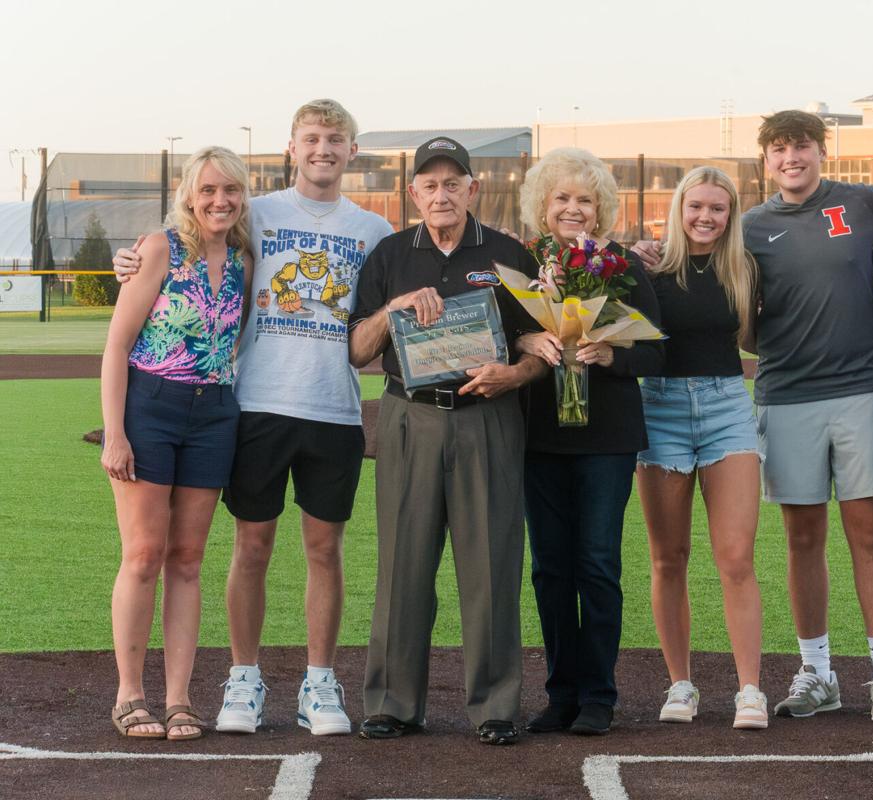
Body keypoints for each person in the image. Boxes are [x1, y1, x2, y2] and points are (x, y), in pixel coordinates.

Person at [634, 110, 873, 723]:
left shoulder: (866, 204)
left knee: (868, 533)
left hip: (864, 392)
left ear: (821, 151)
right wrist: (645, 250)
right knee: (802, 537)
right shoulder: (748, 227)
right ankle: (817, 672)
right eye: (780, 149)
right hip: (785, 396)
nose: (792, 158)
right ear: (766, 161)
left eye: (803, 146)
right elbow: (717, 290)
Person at [113, 99, 394, 736]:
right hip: (258, 405)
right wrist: (129, 261)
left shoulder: (372, 231)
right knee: (252, 546)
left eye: (336, 139)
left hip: (334, 409)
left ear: (353, 150)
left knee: (325, 549)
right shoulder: (254, 215)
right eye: (311, 138)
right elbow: (185, 242)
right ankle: (245, 678)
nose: (323, 149)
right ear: (291, 148)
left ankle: (319, 682)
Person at [348, 136, 545, 746]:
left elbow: (544, 345)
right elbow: (357, 350)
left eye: (452, 183)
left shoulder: (510, 254)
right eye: (429, 185)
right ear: (414, 193)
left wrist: (515, 372)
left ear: (472, 189)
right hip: (408, 416)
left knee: (490, 563)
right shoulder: (388, 254)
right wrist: (396, 307)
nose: (441, 194)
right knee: (403, 562)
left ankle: (495, 706)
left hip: (487, 415)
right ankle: (392, 703)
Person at [101, 146, 251, 741]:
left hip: (214, 414)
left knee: (187, 560)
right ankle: (129, 695)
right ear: (190, 193)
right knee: (143, 554)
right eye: (209, 190)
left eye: (231, 191)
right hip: (151, 409)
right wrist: (115, 432)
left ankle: (180, 699)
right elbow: (116, 346)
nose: (220, 200)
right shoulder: (160, 248)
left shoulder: (245, 256)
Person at [516, 147, 664, 737]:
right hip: (538, 436)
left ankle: (600, 695)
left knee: (597, 564)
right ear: (542, 206)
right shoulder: (524, 265)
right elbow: (507, 336)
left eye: (584, 199)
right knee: (550, 568)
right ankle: (560, 694)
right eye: (561, 198)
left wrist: (612, 353)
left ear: (600, 206)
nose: (573, 209)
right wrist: (529, 342)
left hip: (606, 438)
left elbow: (658, 348)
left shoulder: (622, 264)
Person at [635, 167, 767, 729]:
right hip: (659, 409)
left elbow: (761, 336)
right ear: (678, 208)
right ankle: (680, 686)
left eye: (718, 208)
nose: (706, 217)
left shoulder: (744, 268)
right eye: (696, 207)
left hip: (726, 407)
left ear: (731, 214)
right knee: (669, 558)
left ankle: (750, 691)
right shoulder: (647, 266)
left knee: (735, 558)